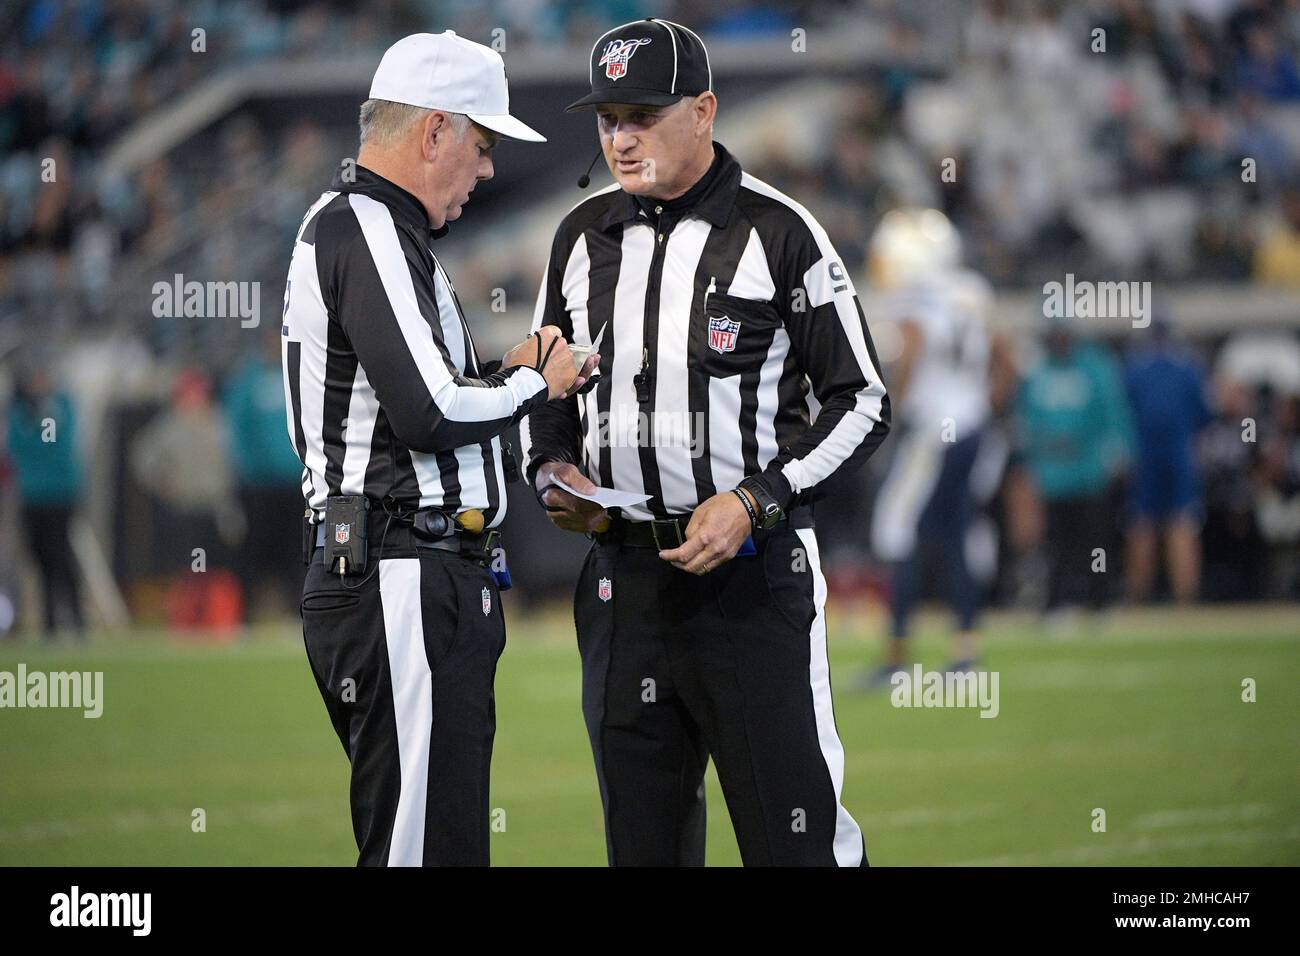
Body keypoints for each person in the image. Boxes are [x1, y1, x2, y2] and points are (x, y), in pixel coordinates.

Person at [522, 19, 890, 866]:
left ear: (705, 111)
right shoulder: (580, 236)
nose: (620, 136)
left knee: (796, 839)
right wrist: (549, 468)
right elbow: (547, 381)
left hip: (749, 584)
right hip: (621, 582)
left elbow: (863, 401)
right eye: (608, 117)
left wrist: (755, 500)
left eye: (643, 114)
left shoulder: (779, 231)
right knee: (642, 846)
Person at [282, 32, 594, 867]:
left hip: (407, 570)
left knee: (437, 841)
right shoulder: (368, 225)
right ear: (433, 132)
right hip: (398, 570)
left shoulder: (378, 231)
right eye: (481, 145)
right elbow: (427, 414)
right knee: (421, 849)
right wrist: (541, 384)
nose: (487, 170)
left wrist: (510, 369)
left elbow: (413, 404)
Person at [1015, 322, 1133, 616]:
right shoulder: (1038, 370)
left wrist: (1117, 451)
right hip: (1053, 472)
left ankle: (1100, 599)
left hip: (1089, 468)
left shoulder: (1094, 367)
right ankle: (1057, 600)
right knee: (1056, 542)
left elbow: (1114, 413)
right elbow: (1027, 420)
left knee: (1095, 539)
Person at [1123, 317, 1212, 603]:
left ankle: (1142, 598)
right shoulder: (1187, 368)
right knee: (1172, 521)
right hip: (1171, 453)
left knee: (1150, 522)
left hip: (1150, 454)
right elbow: (1203, 417)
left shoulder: (1136, 368)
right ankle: (1183, 598)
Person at [5, 361, 85, 639]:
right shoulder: (20, 411)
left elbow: (53, 445)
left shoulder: (59, 405)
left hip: (59, 495)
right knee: (39, 559)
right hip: (31, 496)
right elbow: (16, 450)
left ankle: (76, 621)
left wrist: (38, 427)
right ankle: (50, 624)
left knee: (61, 557)